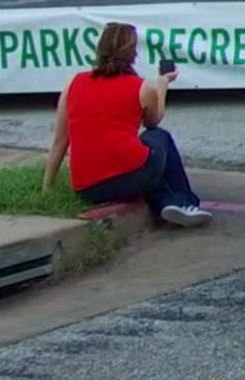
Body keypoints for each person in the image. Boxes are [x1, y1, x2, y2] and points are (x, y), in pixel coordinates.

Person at [42, 22, 209, 227]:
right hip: (129, 177)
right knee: (158, 137)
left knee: (138, 160)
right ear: (132, 55)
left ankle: (168, 203)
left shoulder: (73, 83)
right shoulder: (141, 87)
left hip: (86, 188)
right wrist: (162, 85)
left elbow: (60, 140)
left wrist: (46, 187)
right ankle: (186, 202)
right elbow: (153, 122)